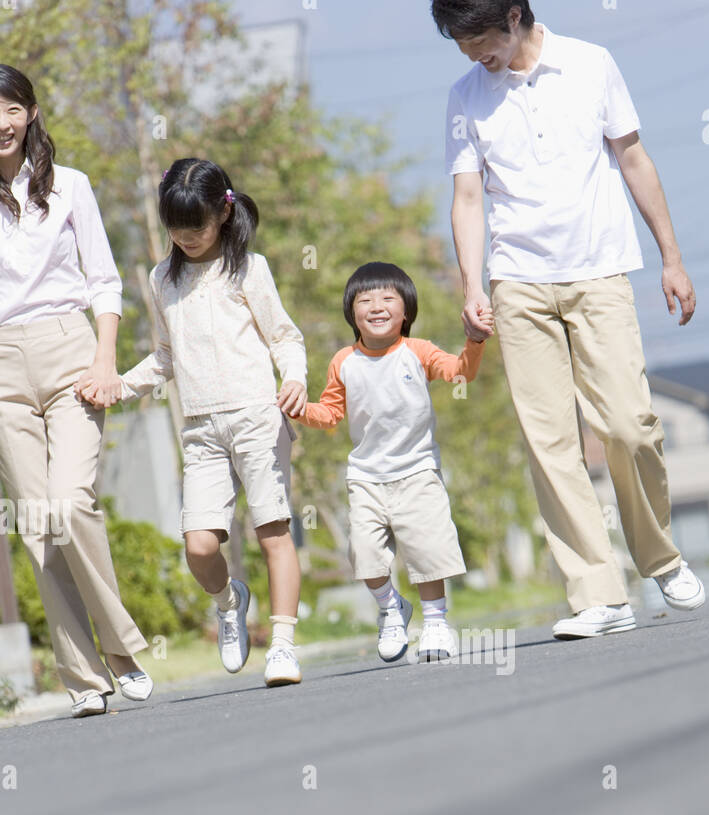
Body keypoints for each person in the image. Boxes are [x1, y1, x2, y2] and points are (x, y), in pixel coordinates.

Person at [433, 2, 706, 638]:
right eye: (460, 44)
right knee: (548, 440)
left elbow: (634, 159)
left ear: (513, 15)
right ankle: (596, 593)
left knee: (627, 425)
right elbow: (467, 196)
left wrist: (672, 257)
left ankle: (660, 557)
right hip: (517, 284)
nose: (474, 55)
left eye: (479, 40)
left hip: (599, 270)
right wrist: (473, 284)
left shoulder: (591, 64)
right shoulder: (465, 95)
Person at [80, 158, 307, 688]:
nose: (186, 239)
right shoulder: (162, 280)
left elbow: (285, 337)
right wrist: (116, 383)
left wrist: (293, 377)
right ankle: (230, 604)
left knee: (274, 532)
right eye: (176, 231)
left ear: (222, 215)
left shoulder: (249, 269)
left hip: (256, 419)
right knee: (200, 546)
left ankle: (282, 646)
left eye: (196, 229)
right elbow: (164, 355)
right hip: (201, 428)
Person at [0, 64, 152, 717]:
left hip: (71, 356)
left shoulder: (69, 187)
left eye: (8, 108)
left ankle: (120, 648)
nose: (0, 124)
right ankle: (84, 680)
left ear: (30, 111)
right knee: (37, 526)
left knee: (69, 503)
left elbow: (105, 281)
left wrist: (105, 359)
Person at [296, 262, 490, 663]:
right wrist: (298, 409)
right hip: (366, 477)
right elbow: (330, 414)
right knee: (364, 554)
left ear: (407, 311)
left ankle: (435, 622)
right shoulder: (343, 361)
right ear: (352, 312)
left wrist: (473, 343)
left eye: (388, 298)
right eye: (365, 300)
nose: (377, 307)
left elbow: (459, 374)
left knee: (426, 552)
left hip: (417, 470)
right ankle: (391, 607)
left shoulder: (417, 352)